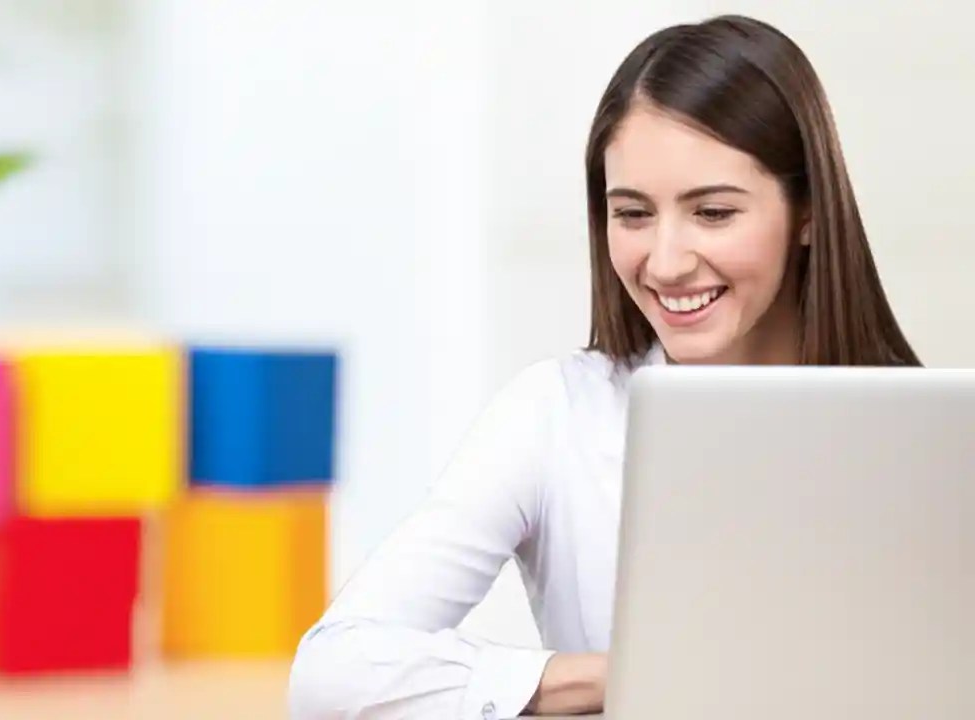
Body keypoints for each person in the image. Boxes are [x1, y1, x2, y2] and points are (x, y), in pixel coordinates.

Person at [287, 13, 920, 720]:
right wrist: (631, 677)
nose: (667, 261)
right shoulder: (557, 414)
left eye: (712, 212)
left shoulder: (925, 440)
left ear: (806, 212)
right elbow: (333, 673)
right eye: (633, 214)